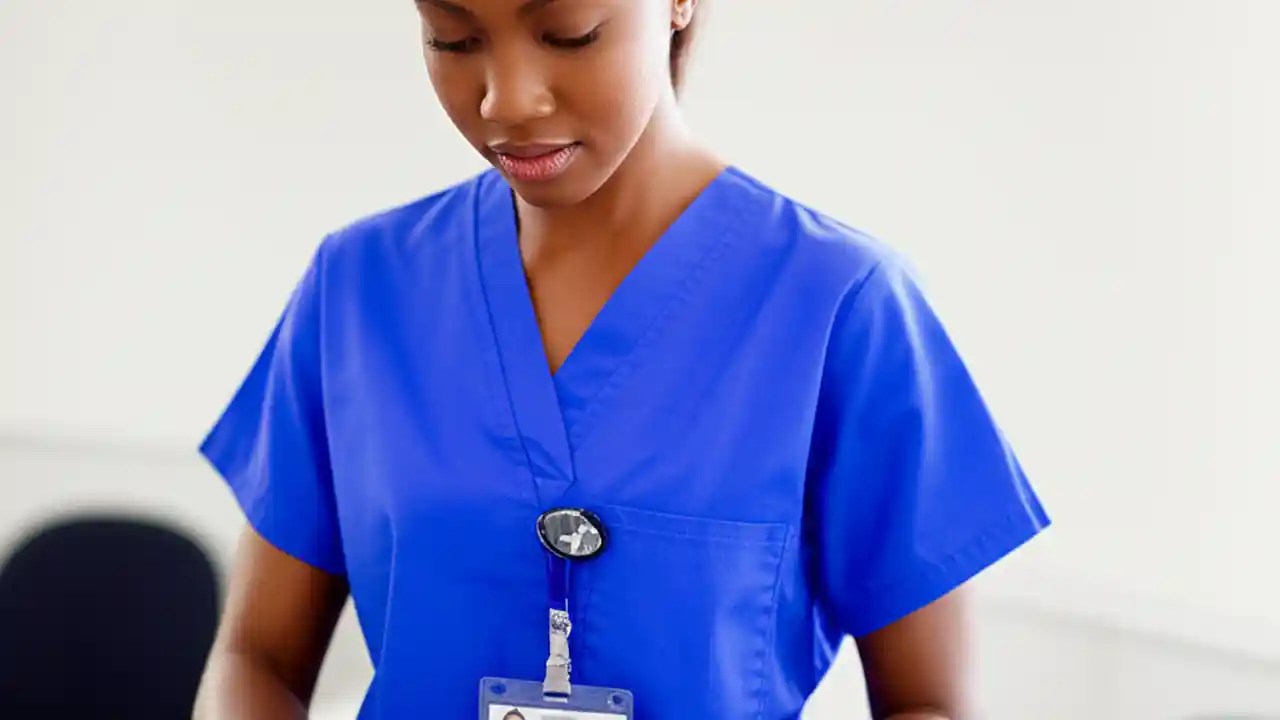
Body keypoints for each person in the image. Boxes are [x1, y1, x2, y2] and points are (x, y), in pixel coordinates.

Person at [192, 0, 1049, 718]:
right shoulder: (360, 289)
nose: (505, 99)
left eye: (568, 32)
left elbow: (928, 703)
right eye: (454, 39)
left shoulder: (841, 305)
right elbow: (258, 655)